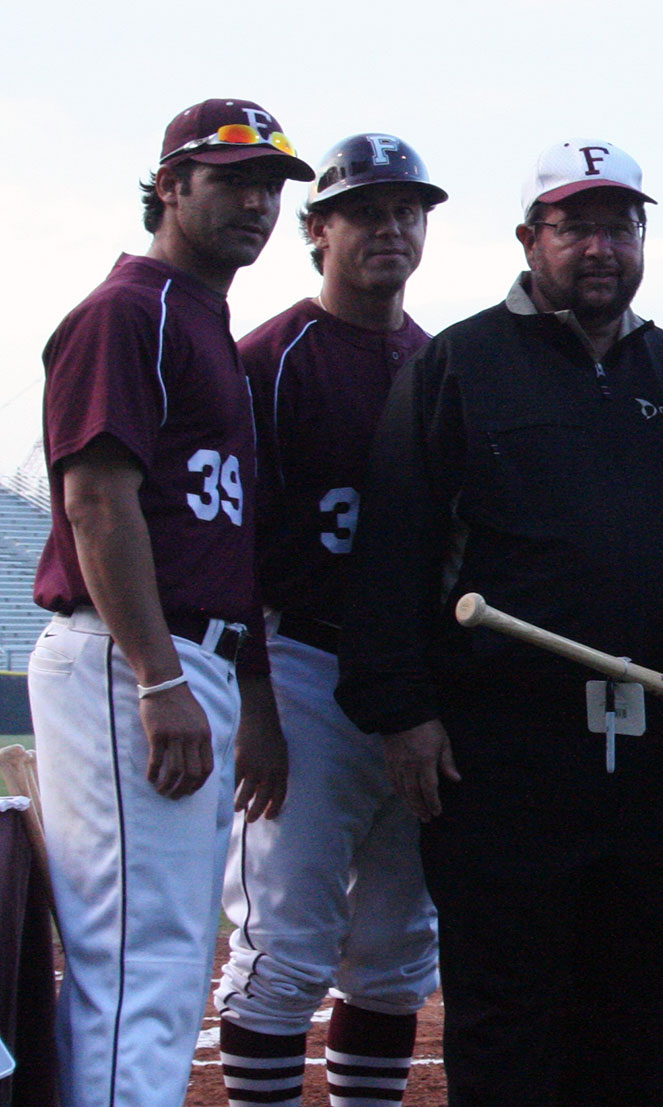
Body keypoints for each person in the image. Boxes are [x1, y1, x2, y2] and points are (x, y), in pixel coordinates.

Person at [334, 140, 663, 1105]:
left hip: (656, 764)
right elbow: (393, 550)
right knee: (507, 1027)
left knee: (639, 1021)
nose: (600, 248)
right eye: (574, 226)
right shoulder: (457, 364)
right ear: (528, 239)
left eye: (619, 226)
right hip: (504, 760)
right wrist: (403, 712)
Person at [28, 98, 311, 1107]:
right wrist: (157, 678)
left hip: (189, 654)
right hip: (131, 652)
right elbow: (97, 502)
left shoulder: (197, 318)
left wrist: (246, 694)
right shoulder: (130, 311)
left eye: (270, 184)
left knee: (169, 954)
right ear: (169, 186)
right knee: (137, 959)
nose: (256, 201)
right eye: (231, 179)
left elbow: (220, 539)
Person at [212, 132, 447, 1107]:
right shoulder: (268, 361)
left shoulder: (439, 362)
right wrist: (255, 706)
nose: (391, 228)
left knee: (395, 952)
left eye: (407, 210)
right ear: (317, 230)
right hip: (301, 666)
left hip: (416, 686)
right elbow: (227, 549)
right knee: (285, 944)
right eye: (365, 211)